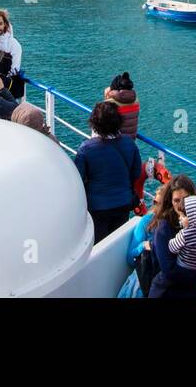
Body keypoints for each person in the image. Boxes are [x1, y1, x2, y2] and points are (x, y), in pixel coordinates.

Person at [73, 101, 141, 243]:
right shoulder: (129, 143)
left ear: (94, 124)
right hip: (123, 202)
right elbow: (136, 172)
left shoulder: (86, 148)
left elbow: (77, 179)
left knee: (99, 245)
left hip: (97, 206)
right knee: (117, 242)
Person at [147, 174, 196, 299]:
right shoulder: (163, 228)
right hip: (168, 292)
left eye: (186, 199)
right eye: (177, 200)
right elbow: (169, 270)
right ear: (170, 202)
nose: (181, 205)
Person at [117, 183, 168, 298]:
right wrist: (143, 246)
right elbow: (130, 257)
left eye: (161, 204)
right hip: (143, 279)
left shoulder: (175, 226)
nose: (156, 207)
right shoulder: (146, 221)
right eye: (155, 202)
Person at [168, 192, 196, 277]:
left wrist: (172, 240)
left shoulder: (184, 234)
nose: (180, 217)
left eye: (183, 216)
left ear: (193, 216)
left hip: (184, 270)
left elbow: (172, 248)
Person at [103, 72, 139, 139]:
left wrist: (107, 95)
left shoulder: (111, 103)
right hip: (131, 139)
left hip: (117, 140)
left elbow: (103, 117)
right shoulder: (136, 100)